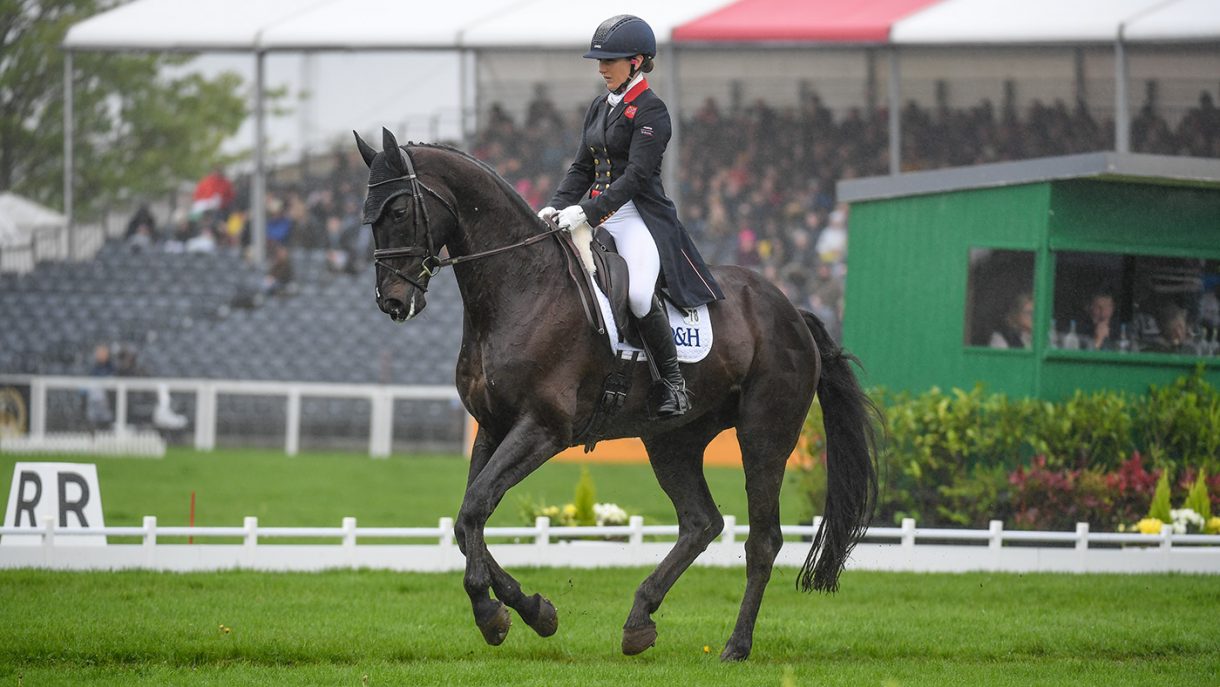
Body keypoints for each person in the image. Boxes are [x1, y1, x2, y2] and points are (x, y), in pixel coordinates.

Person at [539, 15, 724, 419]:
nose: (602, 68)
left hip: (636, 215)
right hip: (595, 214)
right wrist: (557, 204)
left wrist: (586, 210)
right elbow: (581, 167)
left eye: (611, 61)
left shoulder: (652, 110)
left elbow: (637, 176)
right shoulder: (598, 107)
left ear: (636, 62)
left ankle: (674, 385)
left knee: (639, 294)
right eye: (600, 62)